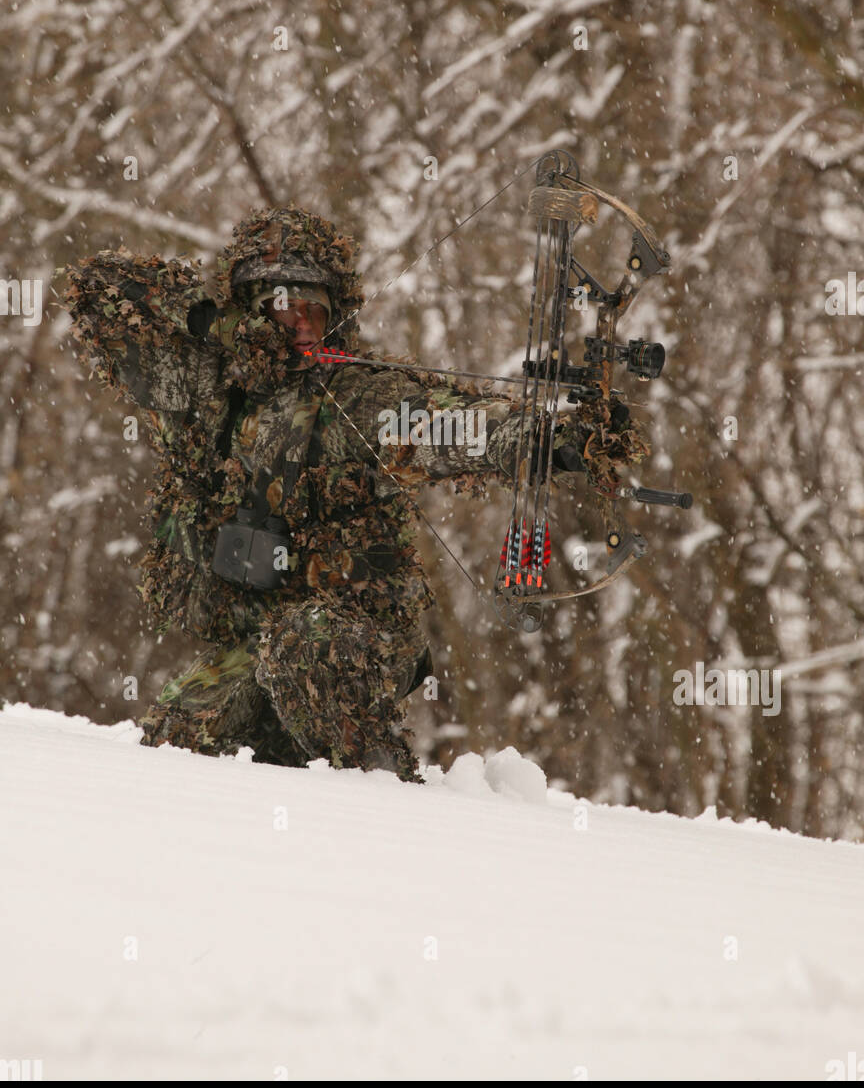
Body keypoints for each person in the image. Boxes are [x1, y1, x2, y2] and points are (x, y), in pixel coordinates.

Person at [63, 205, 637, 780]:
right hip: (256, 642)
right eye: (288, 308)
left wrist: (552, 439)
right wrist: (218, 324)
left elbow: (446, 425)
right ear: (252, 310)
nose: (307, 325)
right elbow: (97, 288)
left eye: (319, 310)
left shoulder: (354, 398)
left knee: (306, 647)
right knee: (175, 736)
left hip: (356, 638)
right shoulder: (199, 382)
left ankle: (383, 797)